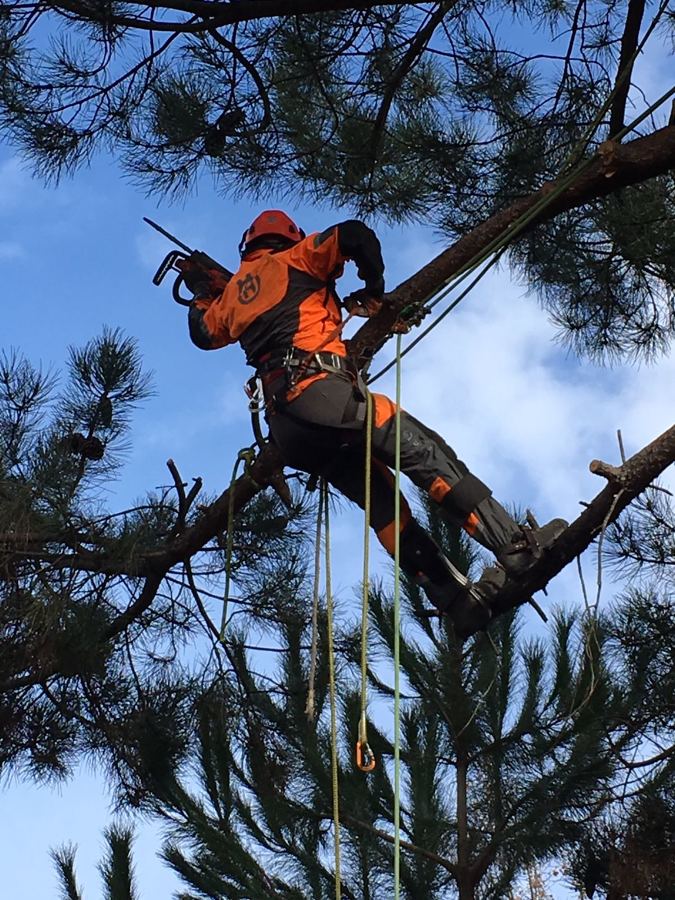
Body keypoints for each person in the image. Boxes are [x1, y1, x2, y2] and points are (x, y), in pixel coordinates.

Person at [186, 210, 566, 638]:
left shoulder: (230, 298)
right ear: (288, 238)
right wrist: (374, 288)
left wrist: (205, 288)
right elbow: (355, 235)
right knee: (424, 451)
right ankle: (515, 546)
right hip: (322, 397)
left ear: (247, 247)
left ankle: (458, 602)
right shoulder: (297, 257)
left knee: (383, 504)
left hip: (289, 431)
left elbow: (203, 333)